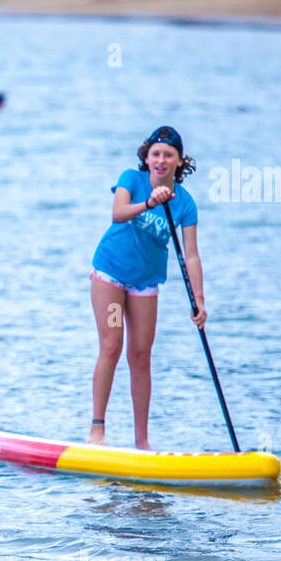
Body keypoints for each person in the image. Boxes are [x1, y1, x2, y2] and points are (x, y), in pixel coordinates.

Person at [87, 126, 204, 449]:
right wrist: (150, 203)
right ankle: (97, 431)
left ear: (180, 162)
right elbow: (118, 214)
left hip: (145, 283)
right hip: (110, 274)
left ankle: (142, 442)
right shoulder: (131, 179)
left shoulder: (186, 204)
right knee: (111, 346)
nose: (161, 160)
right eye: (155, 154)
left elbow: (191, 256)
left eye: (169, 155)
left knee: (141, 356)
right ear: (146, 157)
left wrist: (199, 301)